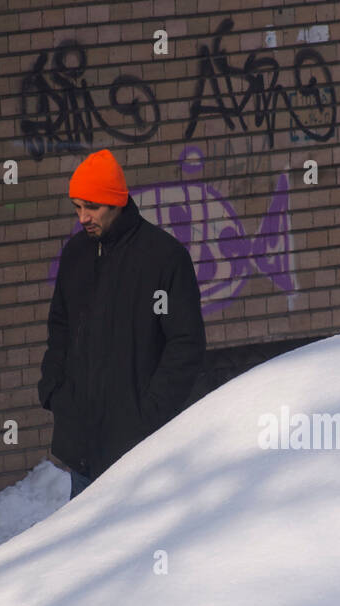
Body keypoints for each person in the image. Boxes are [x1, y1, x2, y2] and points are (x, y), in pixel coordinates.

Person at [38, 150, 206, 499]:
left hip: (137, 450)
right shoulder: (76, 255)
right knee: (87, 547)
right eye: (76, 207)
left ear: (116, 202)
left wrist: (148, 415)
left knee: (134, 547)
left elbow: (185, 345)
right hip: (82, 444)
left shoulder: (164, 258)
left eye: (92, 207)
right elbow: (60, 328)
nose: (83, 217)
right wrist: (55, 389)